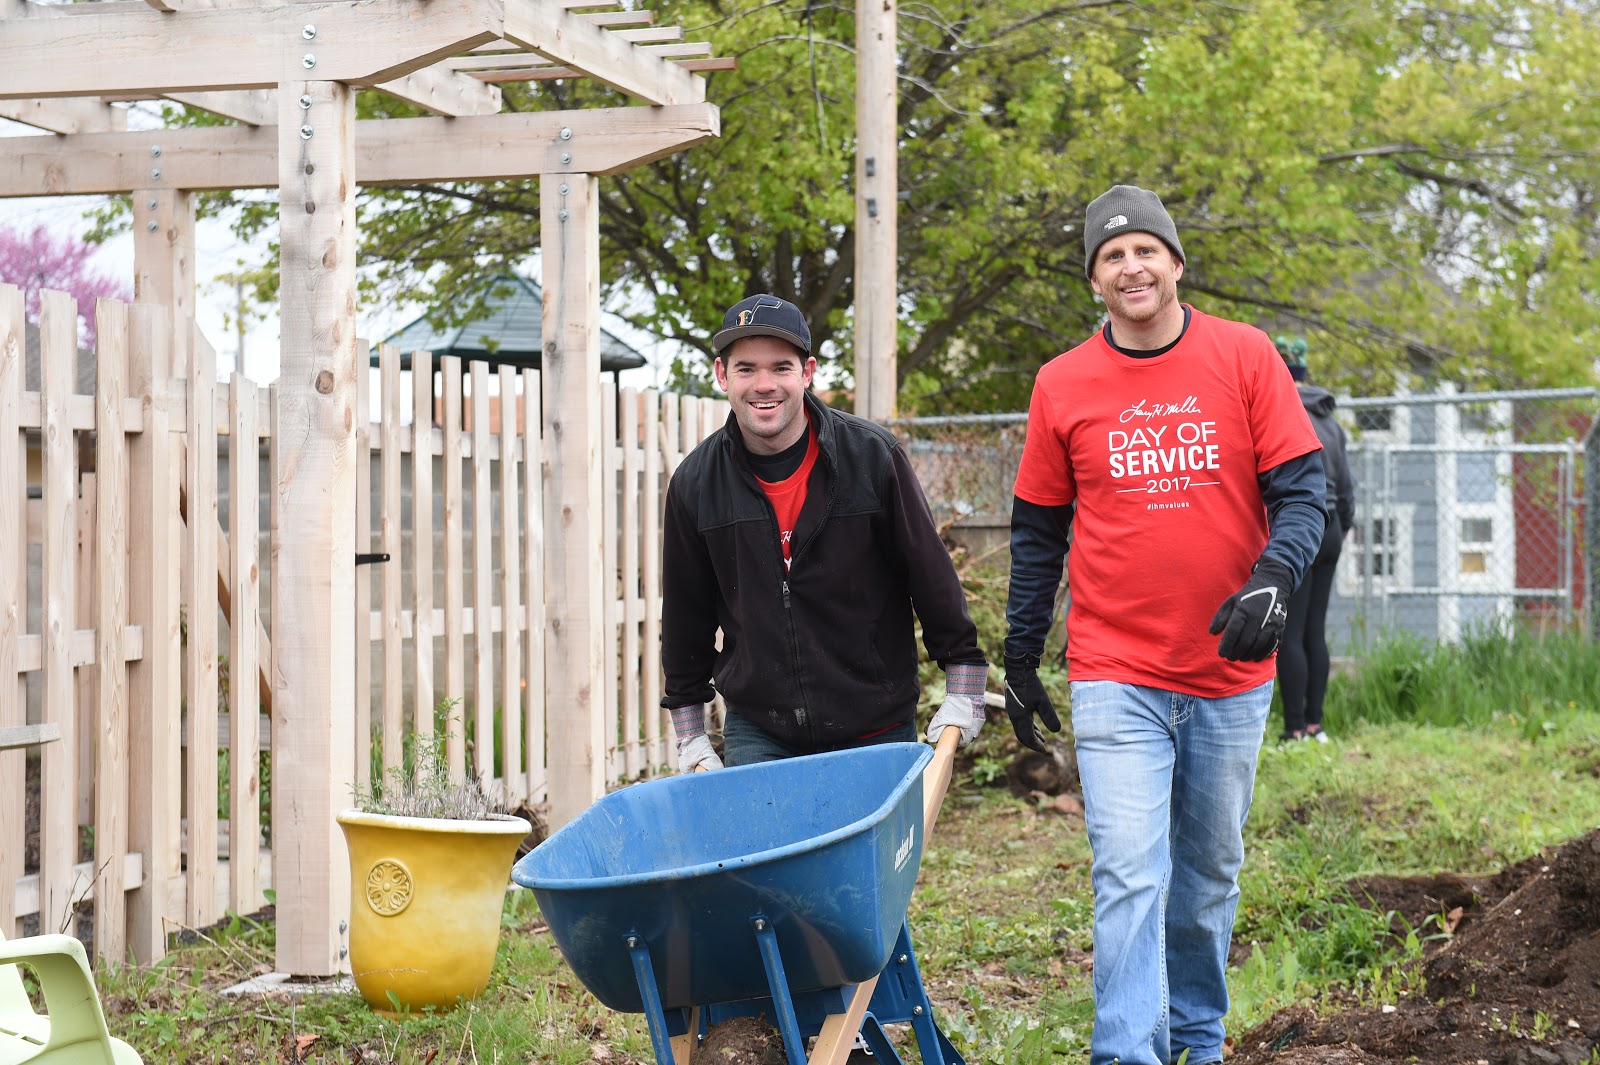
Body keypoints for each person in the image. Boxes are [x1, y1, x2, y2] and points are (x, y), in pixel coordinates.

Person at [1002, 185, 1327, 1065]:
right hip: (1116, 668)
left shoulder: (1245, 355)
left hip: (1229, 670)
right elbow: (1037, 530)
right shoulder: (1062, 382)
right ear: (1094, 280)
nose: (1131, 266)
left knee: (1208, 874)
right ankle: (1127, 1052)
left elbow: (1305, 492)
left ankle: (1197, 1037)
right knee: (1128, 871)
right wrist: (1022, 653)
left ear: (1176, 262)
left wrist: (1273, 579)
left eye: (1145, 249)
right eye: (1111, 255)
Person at [661, 293, 989, 771]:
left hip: (875, 725)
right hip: (761, 732)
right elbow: (685, 614)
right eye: (746, 368)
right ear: (722, 375)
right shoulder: (696, 484)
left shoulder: (871, 457)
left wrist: (965, 685)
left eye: (781, 367)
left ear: (807, 372)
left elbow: (929, 574)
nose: (764, 385)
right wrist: (691, 734)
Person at [1274, 338, 1356, 743]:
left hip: (1296, 530)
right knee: (1315, 629)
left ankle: (1293, 729)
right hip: (1332, 529)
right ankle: (1315, 724)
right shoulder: (1332, 424)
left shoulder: (1281, 414)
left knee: (1290, 632)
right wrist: (1340, 528)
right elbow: (1348, 488)